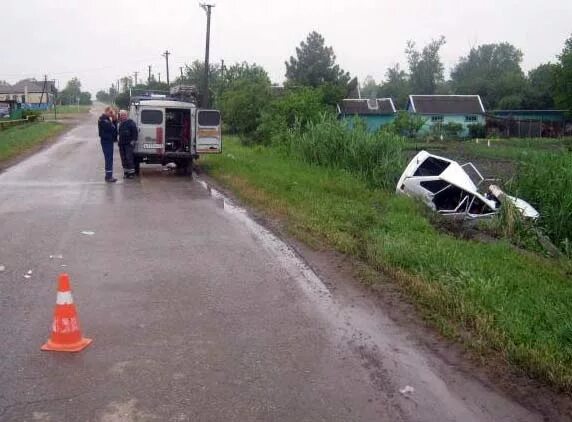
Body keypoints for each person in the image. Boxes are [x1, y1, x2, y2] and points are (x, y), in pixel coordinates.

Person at [97, 106, 117, 183]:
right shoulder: (103, 119)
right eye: (110, 112)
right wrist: (114, 118)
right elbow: (112, 128)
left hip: (109, 140)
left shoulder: (107, 119)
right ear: (106, 111)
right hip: (106, 141)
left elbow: (114, 127)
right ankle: (108, 177)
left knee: (110, 158)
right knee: (108, 159)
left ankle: (109, 175)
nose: (111, 114)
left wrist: (114, 119)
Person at [118, 110, 138, 178]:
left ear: (127, 115)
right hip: (121, 144)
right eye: (121, 115)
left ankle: (131, 173)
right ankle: (126, 172)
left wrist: (133, 141)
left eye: (124, 115)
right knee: (123, 159)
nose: (123, 116)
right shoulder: (120, 123)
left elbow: (135, 133)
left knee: (129, 158)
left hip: (128, 144)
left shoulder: (131, 123)